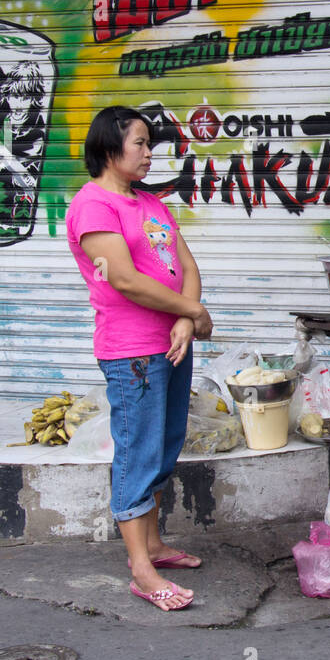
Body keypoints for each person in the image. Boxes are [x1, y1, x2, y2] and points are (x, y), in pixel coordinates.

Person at [67, 105, 214, 612]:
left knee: (166, 443)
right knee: (137, 451)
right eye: (141, 143)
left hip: (171, 343)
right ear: (110, 148)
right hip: (132, 352)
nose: (150, 154)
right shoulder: (94, 207)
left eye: (150, 144)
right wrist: (192, 311)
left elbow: (185, 263)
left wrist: (184, 317)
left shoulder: (150, 202)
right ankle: (140, 568)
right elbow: (124, 279)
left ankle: (153, 543)